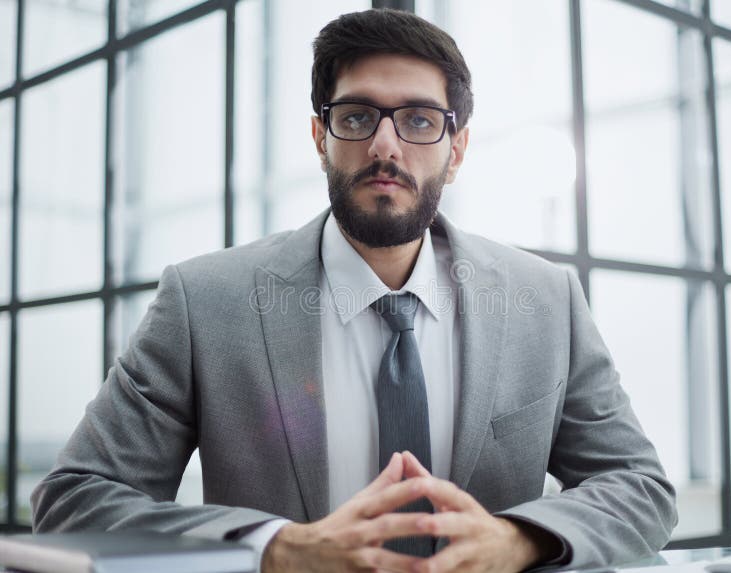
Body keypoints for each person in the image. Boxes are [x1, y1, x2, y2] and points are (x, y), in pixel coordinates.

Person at [32, 8, 677, 572]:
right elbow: (75, 499)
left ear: (456, 150)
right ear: (321, 139)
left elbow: (639, 487)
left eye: (419, 120)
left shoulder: (547, 301)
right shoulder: (204, 302)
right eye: (358, 116)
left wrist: (518, 540)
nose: (384, 146)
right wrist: (275, 549)